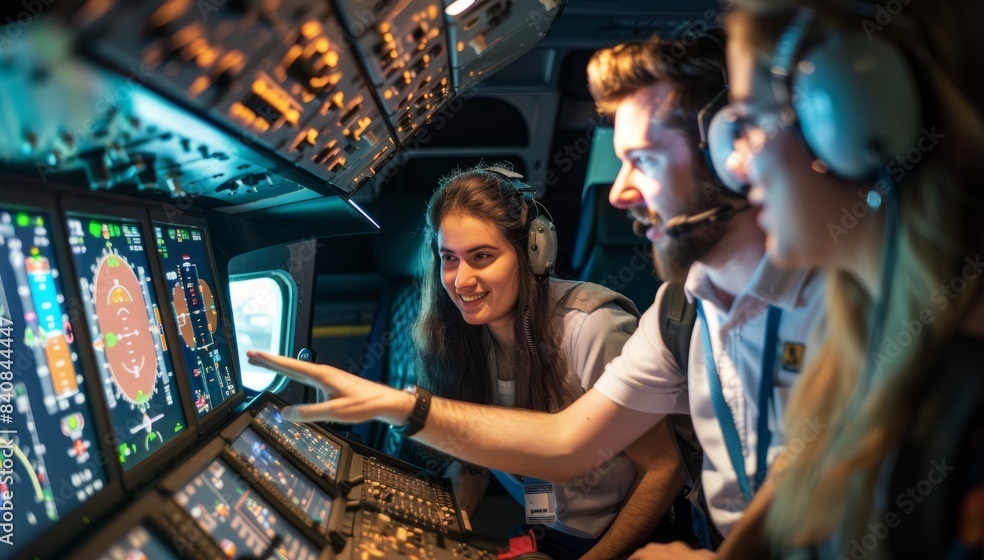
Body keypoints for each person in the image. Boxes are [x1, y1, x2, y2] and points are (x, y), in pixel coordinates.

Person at [246, 29, 825, 549]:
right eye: (450, 260)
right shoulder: (677, 310)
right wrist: (403, 407)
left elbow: (697, 475)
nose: (619, 192)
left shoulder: (827, 306)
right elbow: (567, 440)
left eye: (641, 159)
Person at [704, 0, 984, 557]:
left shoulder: (969, 398)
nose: (736, 164)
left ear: (859, 120)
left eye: (753, 122)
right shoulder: (860, 347)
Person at [410, 163, 686, 559]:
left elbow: (664, 469)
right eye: (449, 258)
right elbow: (472, 464)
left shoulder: (591, 328)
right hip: (544, 531)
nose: (460, 280)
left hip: (627, 539)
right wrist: (438, 534)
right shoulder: (459, 339)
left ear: (534, 253)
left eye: (482, 256)